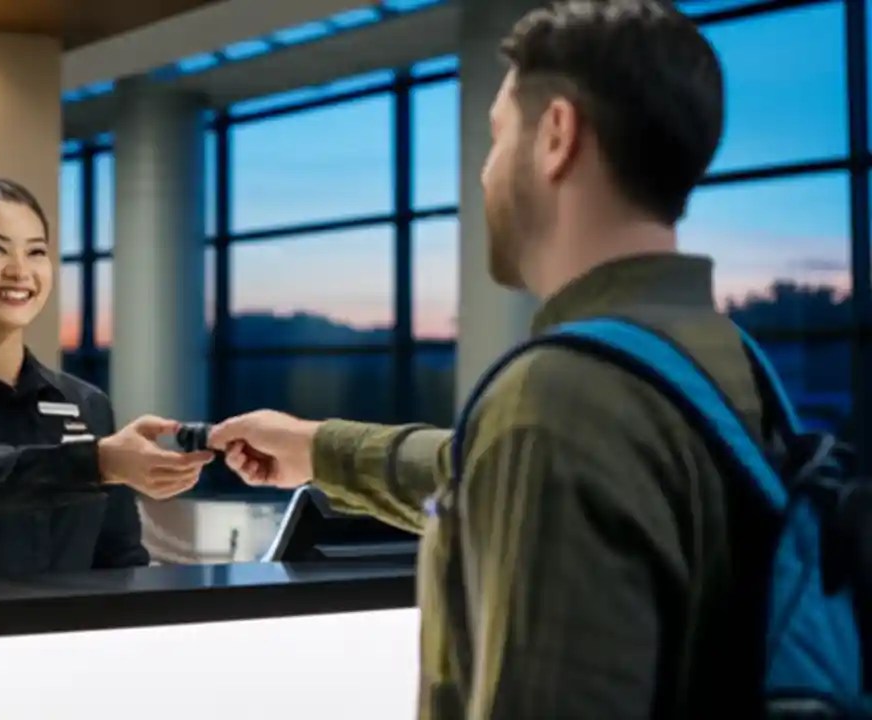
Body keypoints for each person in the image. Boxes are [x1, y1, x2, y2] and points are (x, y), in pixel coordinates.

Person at [210, 2, 765, 718]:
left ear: (557, 135)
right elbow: (471, 469)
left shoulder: (557, 402)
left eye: (497, 136)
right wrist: (316, 448)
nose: (483, 174)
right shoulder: (723, 361)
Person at [0, 176, 212, 579]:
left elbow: (119, 560)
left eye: (36, 252)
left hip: (68, 640)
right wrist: (98, 463)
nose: (20, 271)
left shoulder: (86, 403)